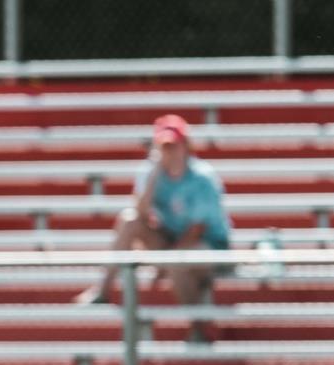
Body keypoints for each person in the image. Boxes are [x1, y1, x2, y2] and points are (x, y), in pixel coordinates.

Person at [77, 114, 232, 310]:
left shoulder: (202, 178)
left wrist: (168, 260)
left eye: (174, 145)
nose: (170, 152)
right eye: (164, 146)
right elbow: (140, 214)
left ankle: (199, 330)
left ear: (186, 145)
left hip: (208, 245)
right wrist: (152, 178)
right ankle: (103, 290)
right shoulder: (151, 172)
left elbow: (197, 229)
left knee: (178, 264)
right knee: (129, 220)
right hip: (171, 241)